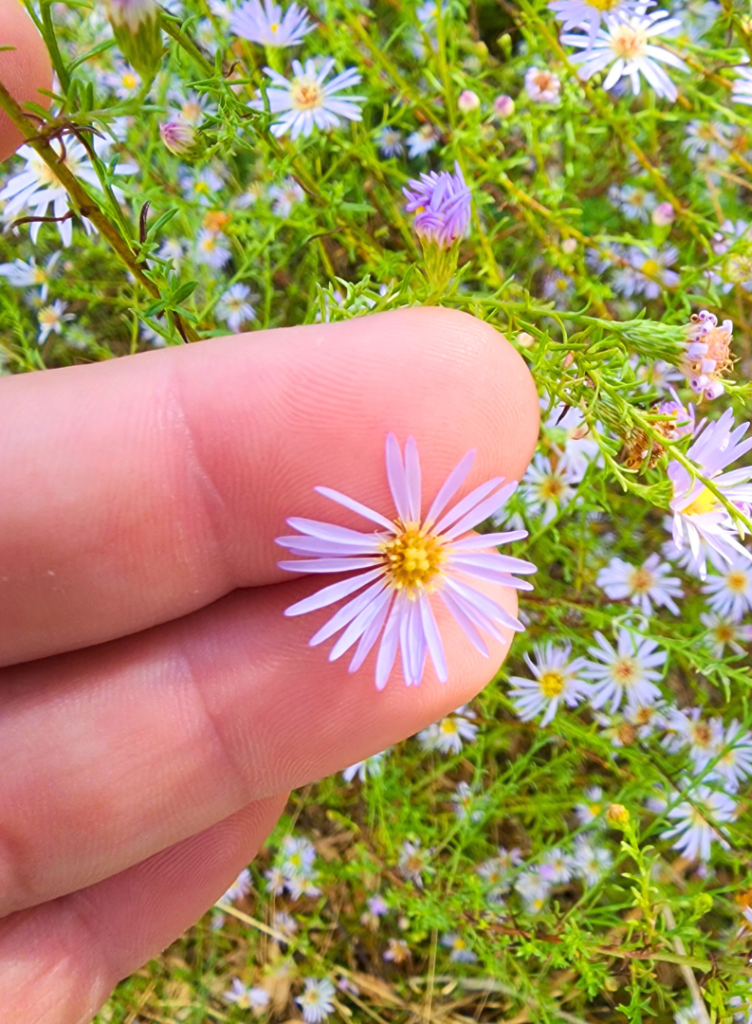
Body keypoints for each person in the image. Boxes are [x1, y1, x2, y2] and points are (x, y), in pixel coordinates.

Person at [0, 5, 539, 1016]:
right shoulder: (381, 541)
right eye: (419, 548)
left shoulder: (399, 556)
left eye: (420, 550)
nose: (418, 552)